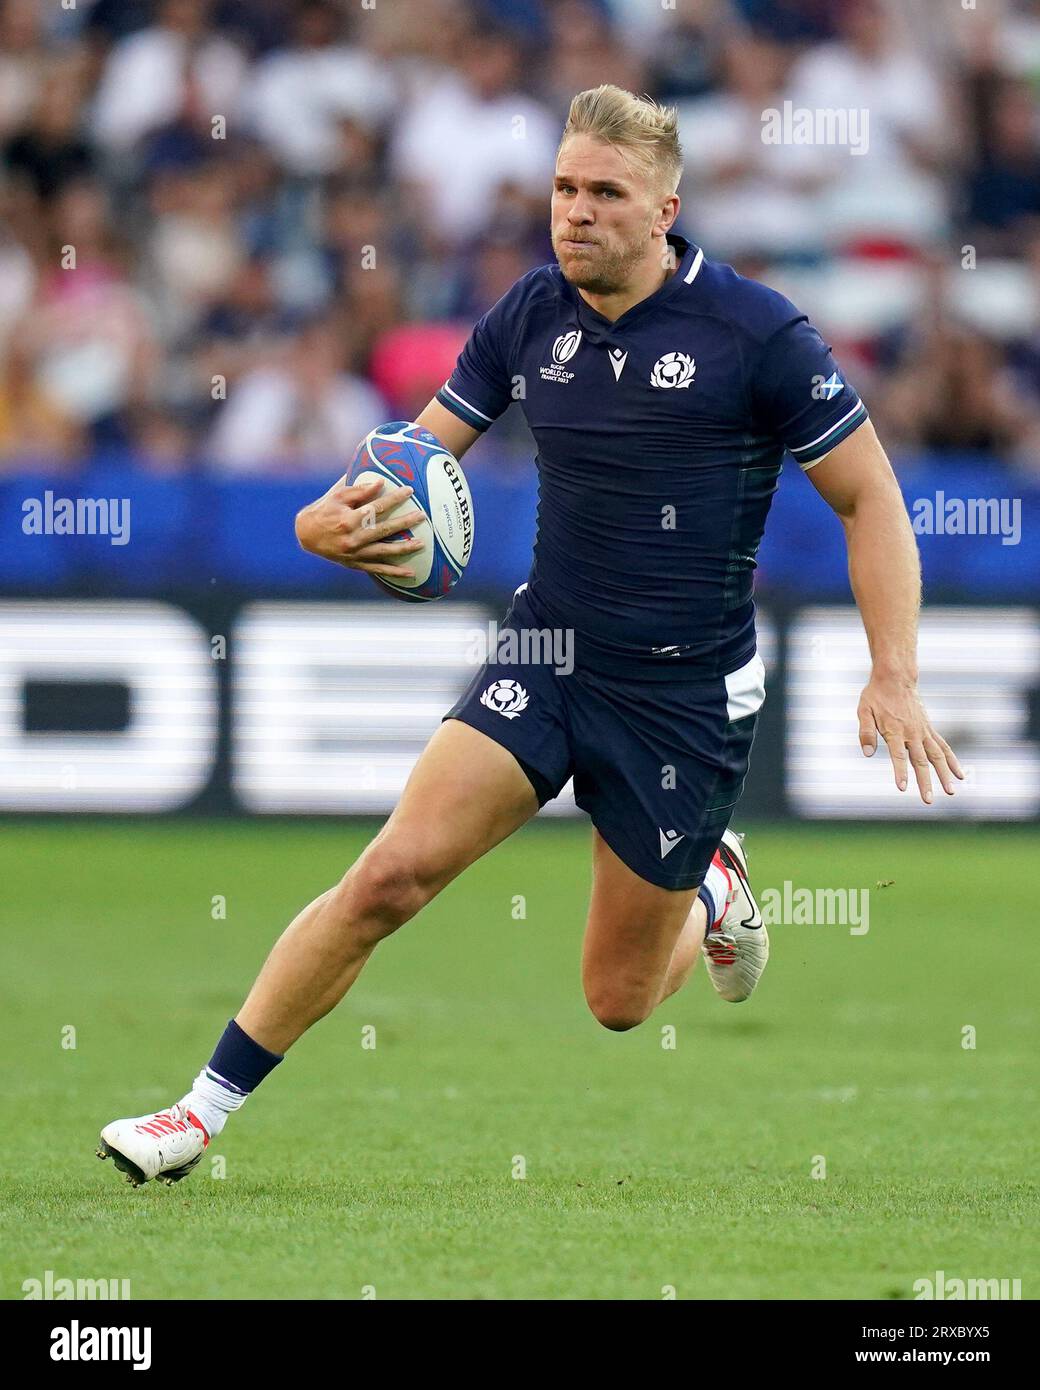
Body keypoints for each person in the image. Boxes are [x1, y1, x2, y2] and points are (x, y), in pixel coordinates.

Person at [98, 86, 962, 1187]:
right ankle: (197, 1111)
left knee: (616, 1001)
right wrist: (329, 521)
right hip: (544, 655)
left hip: (679, 699)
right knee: (387, 877)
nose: (577, 212)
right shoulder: (526, 316)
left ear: (665, 210)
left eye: (606, 193)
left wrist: (893, 672)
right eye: (564, 188)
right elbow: (407, 464)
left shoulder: (754, 333)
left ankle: (711, 883)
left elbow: (871, 500)